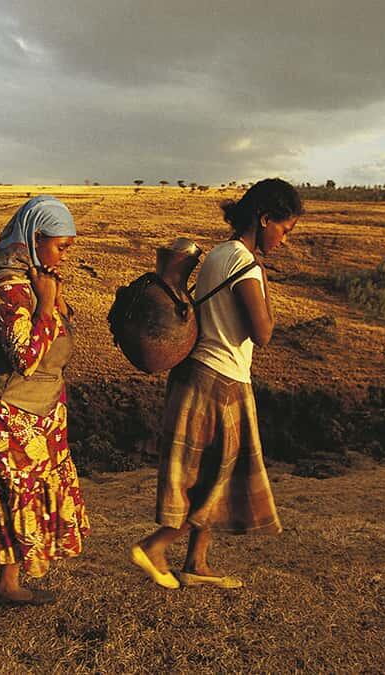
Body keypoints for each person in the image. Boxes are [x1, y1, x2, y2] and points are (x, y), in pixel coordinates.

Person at [131, 178, 303, 590]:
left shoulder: (218, 255)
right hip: (219, 378)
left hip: (201, 372)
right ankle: (156, 547)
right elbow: (262, 334)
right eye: (284, 229)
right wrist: (265, 284)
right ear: (264, 219)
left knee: (212, 468)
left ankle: (197, 563)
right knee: (219, 475)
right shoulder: (243, 263)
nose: (284, 239)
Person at [0, 195, 90, 609]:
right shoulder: (8, 287)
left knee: (28, 500)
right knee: (14, 504)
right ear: (35, 237)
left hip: (39, 412)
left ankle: (9, 584)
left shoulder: (32, 278)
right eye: (60, 247)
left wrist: (53, 301)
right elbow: (24, 358)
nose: (63, 257)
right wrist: (45, 305)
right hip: (6, 415)